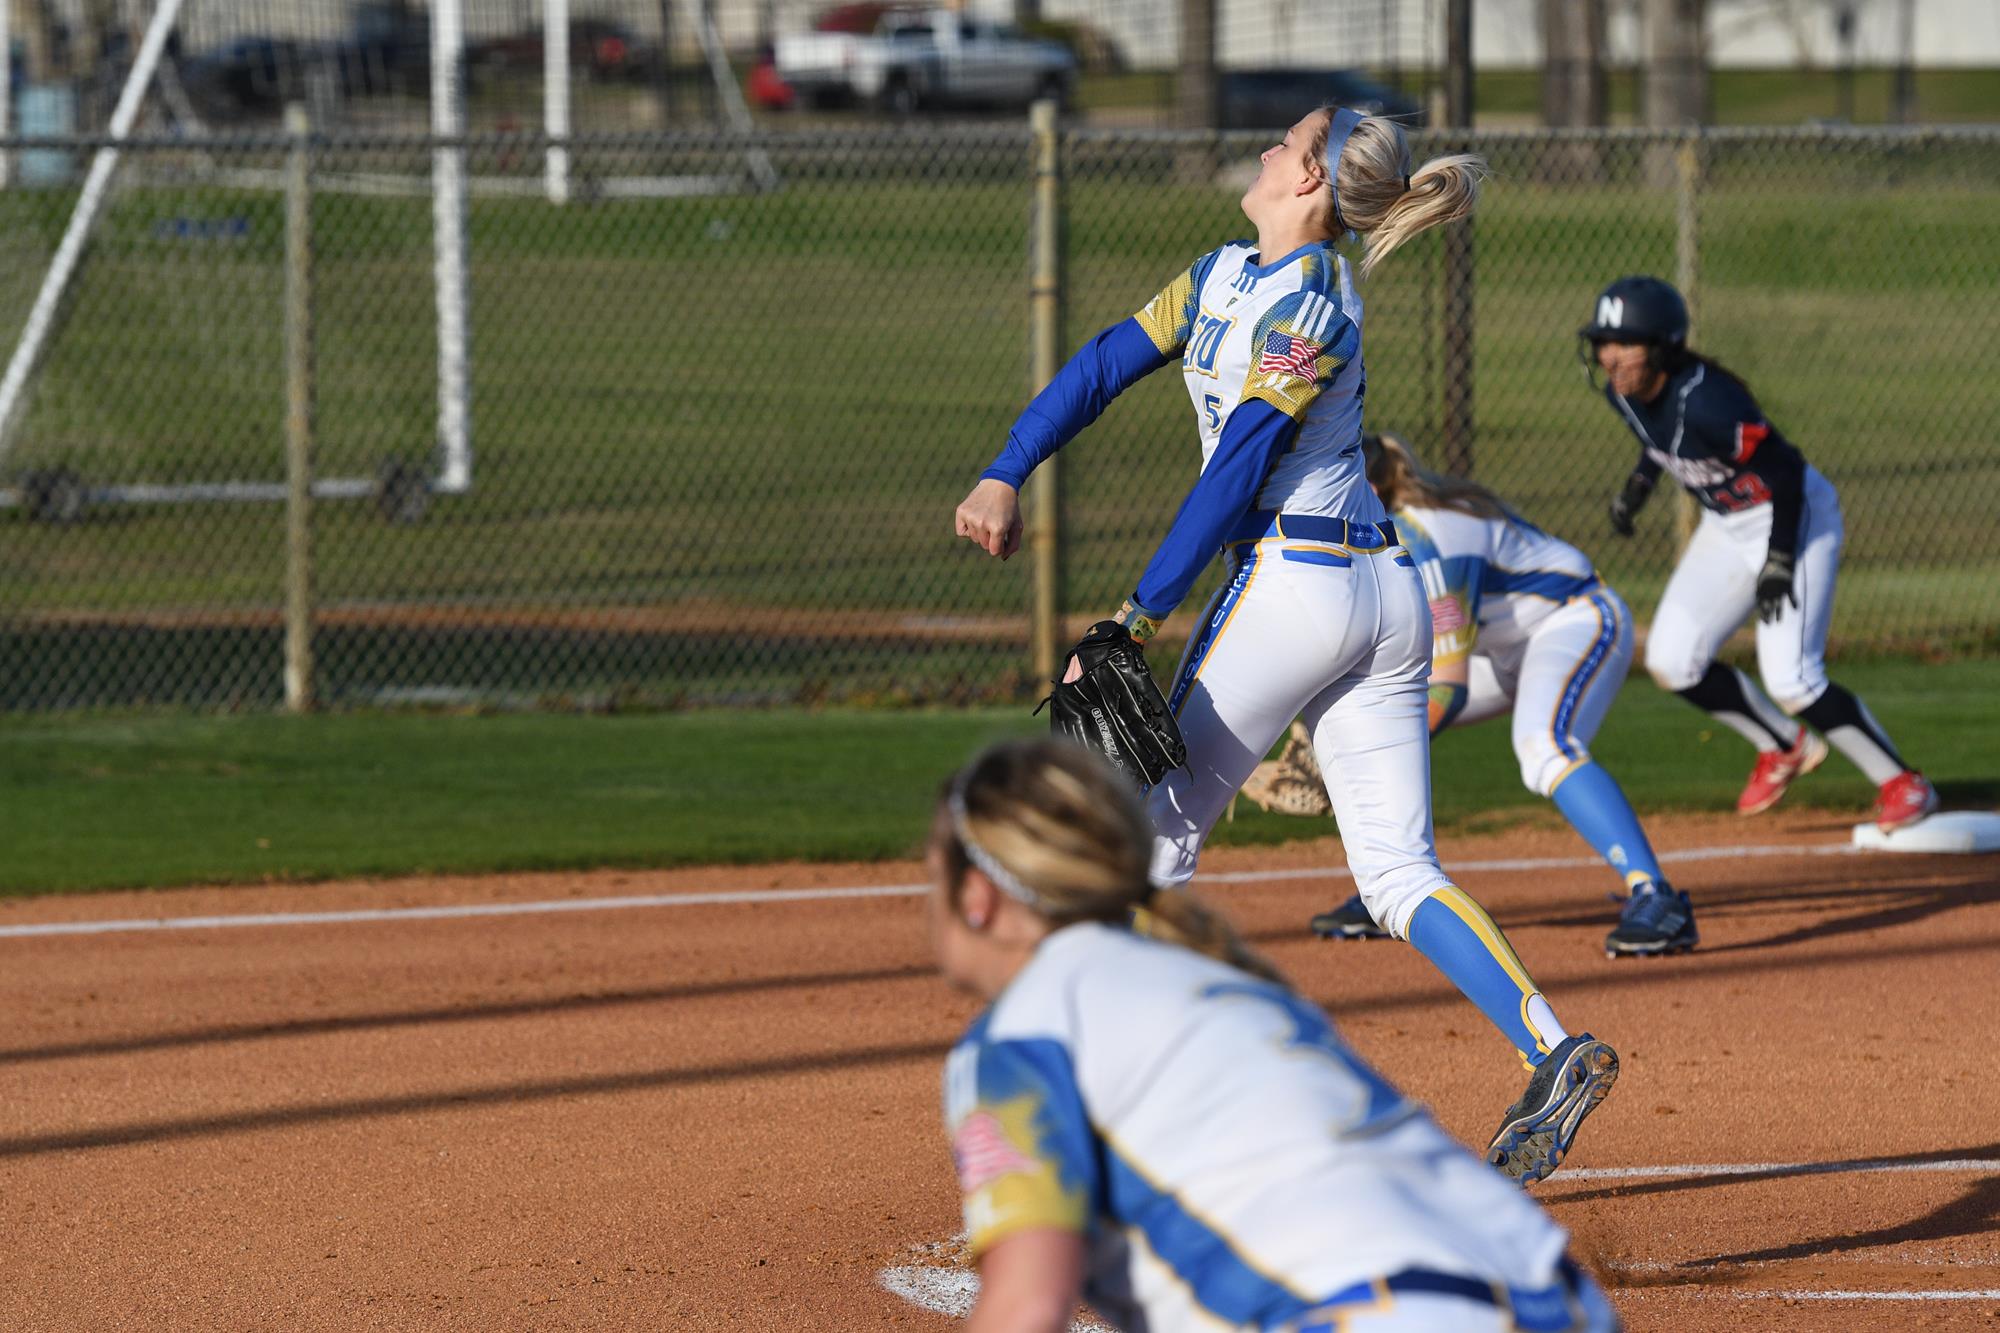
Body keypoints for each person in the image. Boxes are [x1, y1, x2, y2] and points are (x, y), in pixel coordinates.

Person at [952, 106, 1616, 1182]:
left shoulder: (1312, 303)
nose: (1261, 147)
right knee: (1398, 871)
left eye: (1281, 140)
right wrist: (1005, 465)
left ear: (1306, 176)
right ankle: (1551, 1048)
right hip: (1380, 591)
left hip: (1294, 582)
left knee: (1149, 838)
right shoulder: (1218, 274)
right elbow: (1099, 366)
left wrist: (1134, 611)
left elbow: (1240, 465)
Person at [928, 738, 1622, 1333]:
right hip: (1560, 1301)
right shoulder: (1231, 982)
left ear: (978, 897)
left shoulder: (1023, 1029)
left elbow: (1027, 1304)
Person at [1292, 433, 1692, 958]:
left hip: (1576, 619)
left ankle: (1657, 895)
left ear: (1365, 486)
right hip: (1507, 649)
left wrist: (1353, 758)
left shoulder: (1429, 537)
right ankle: (1390, 885)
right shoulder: (1388, 527)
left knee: (1544, 746)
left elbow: (1449, 688)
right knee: (1379, 713)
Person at [1582, 275, 1937, 831]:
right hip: (1727, 523)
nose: (1609, 356)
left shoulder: (1711, 401)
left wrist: (1778, 562)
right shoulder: (1622, 392)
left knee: (1794, 678)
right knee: (1673, 660)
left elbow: (1786, 474)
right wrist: (1637, 489)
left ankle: (1904, 783)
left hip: (1793, 515)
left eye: (1624, 343)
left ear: (1663, 346)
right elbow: (1657, 440)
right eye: (1604, 342)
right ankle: (1783, 745)